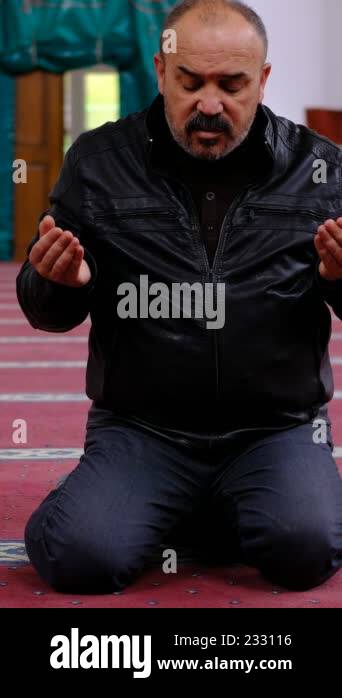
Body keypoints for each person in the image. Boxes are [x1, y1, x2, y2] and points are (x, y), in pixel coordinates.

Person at [17, 0, 342, 594]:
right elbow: (43, 309)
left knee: (307, 551)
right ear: (161, 73)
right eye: (190, 82)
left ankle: (208, 502)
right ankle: (132, 491)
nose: (210, 104)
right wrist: (57, 284)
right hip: (145, 429)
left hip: (275, 428)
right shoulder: (97, 163)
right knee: (80, 557)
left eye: (232, 84)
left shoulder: (320, 169)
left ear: (263, 80)